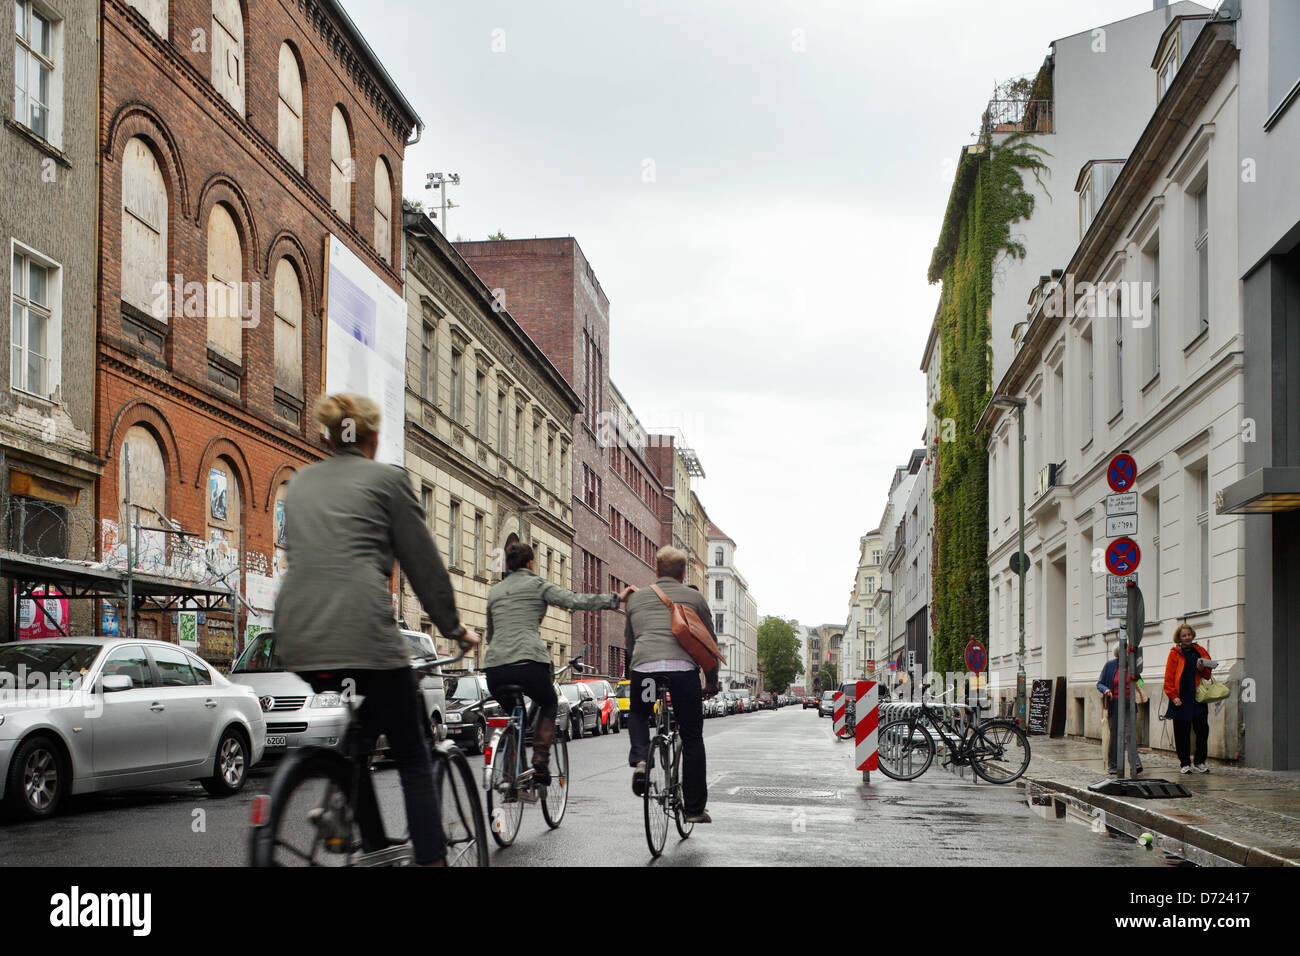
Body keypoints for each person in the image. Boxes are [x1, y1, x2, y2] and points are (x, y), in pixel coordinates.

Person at [273, 393, 479, 867]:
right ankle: (430, 862)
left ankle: (355, 821)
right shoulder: (388, 480)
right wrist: (454, 627)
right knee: (410, 753)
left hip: (298, 634)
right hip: (363, 629)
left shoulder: (302, 482)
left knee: (361, 728)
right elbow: (424, 566)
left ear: (329, 435)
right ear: (372, 437)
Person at [483, 541, 635, 784]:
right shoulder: (537, 585)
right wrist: (616, 599)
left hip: (495, 669)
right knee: (549, 702)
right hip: (530, 663)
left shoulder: (495, 592)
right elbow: (575, 601)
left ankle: (510, 775)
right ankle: (540, 761)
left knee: (514, 713)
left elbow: (490, 635)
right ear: (531, 563)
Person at [624, 546, 719, 824]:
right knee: (691, 736)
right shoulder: (695, 598)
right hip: (681, 674)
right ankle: (693, 810)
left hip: (646, 671)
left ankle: (642, 761)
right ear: (683, 573)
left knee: (640, 713)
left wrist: (638, 666)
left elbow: (630, 643)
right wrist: (710, 681)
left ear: (656, 570)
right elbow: (708, 643)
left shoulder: (637, 599)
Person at [1163, 623, 1214, 774]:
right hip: (1181, 697)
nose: (1187, 638)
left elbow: (1207, 674)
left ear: (1193, 635)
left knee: (1202, 730)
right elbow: (1169, 677)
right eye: (1183, 636)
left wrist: (1202, 668)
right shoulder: (1174, 653)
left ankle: (1199, 761)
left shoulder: (1200, 650)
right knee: (1182, 732)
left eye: (1189, 635)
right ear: (1179, 638)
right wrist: (1173, 696)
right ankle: (1184, 763)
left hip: (1198, 696)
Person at [1096, 642, 1142, 776]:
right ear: (1118, 653)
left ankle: (1135, 763)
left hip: (1129, 704)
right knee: (1115, 735)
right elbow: (1100, 683)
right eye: (1124, 651)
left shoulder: (1132, 666)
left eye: (1128, 651)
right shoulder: (1110, 665)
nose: (1127, 654)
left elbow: (1141, 681)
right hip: (1114, 703)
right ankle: (1113, 765)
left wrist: (1140, 688)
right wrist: (1106, 690)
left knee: (1129, 733)